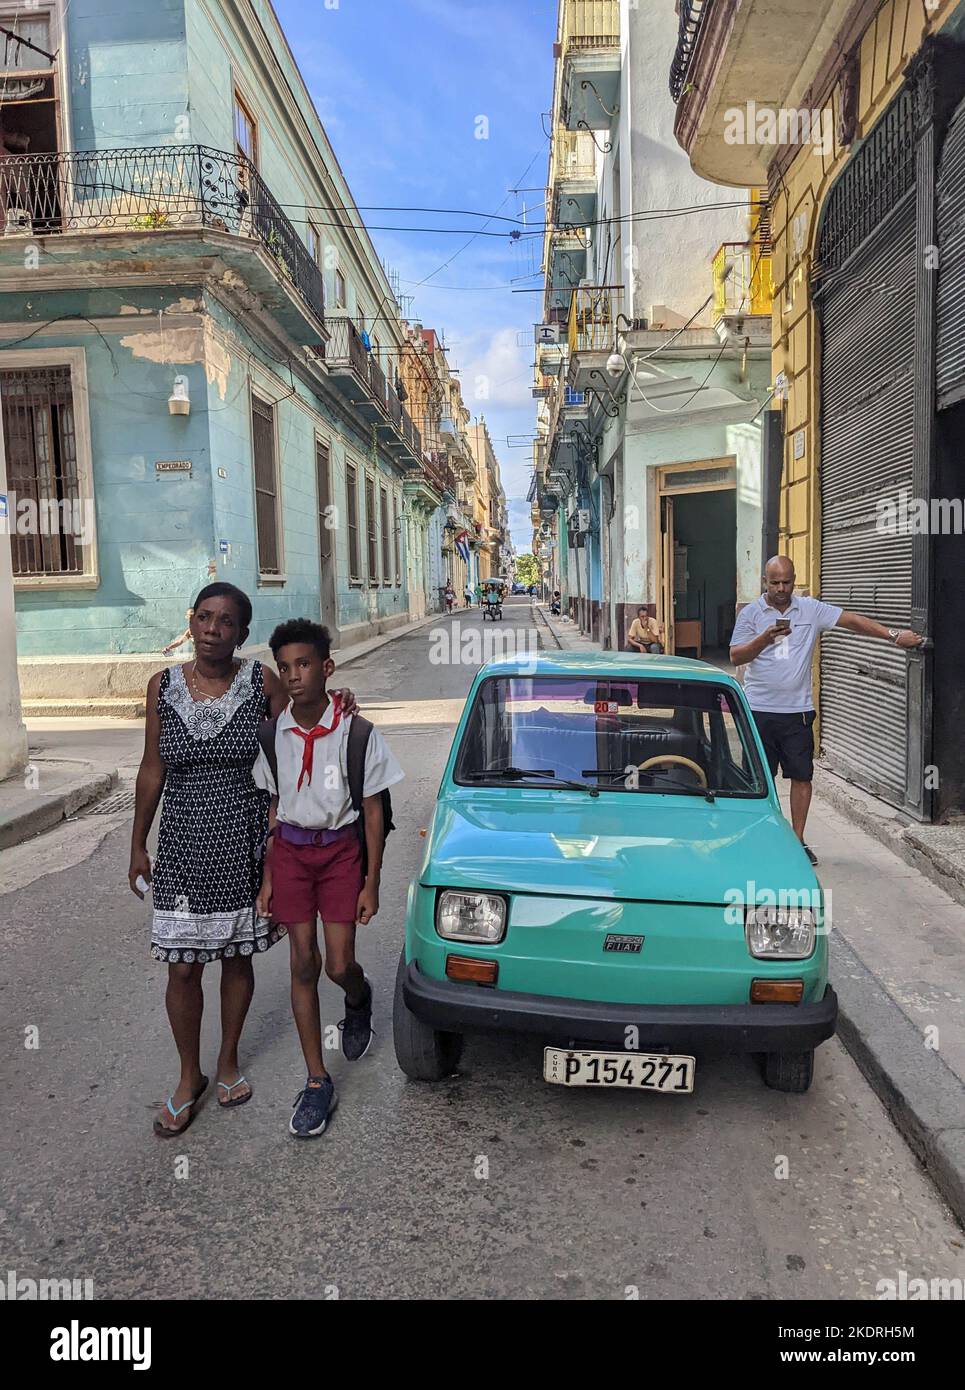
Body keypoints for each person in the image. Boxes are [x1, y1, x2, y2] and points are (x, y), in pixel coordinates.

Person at [130, 583, 358, 1137]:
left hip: (245, 836)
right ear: (193, 623)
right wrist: (138, 842)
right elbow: (151, 768)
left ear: (241, 634)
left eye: (225, 622)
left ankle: (228, 1060)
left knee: (236, 956)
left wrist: (342, 697)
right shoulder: (162, 687)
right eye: (204, 618)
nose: (212, 629)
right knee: (183, 965)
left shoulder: (262, 683)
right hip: (182, 840)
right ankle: (190, 1076)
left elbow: (307, 718)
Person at [254, 619, 404, 1139]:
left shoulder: (357, 733)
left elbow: (372, 813)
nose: (294, 676)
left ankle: (357, 998)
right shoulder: (275, 734)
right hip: (293, 854)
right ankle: (317, 1080)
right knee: (303, 963)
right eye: (285, 667)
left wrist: (372, 881)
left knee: (339, 964)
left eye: (304, 664)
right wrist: (270, 876)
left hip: (341, 854)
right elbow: (274, 806)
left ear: (326, 668)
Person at [729, 555, 925, 865]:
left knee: (802, 777)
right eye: (775, 582)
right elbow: (737, 656)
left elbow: (853, 621)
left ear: (795, 580)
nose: (781, 588)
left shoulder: (810, 609)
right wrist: (764, 639)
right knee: (757, 781)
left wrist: (892, 635)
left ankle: (797, 841)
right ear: (765, 581)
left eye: (787, 582)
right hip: (758, 711)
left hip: (798, 712)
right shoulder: (752, 613)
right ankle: (760, 840)